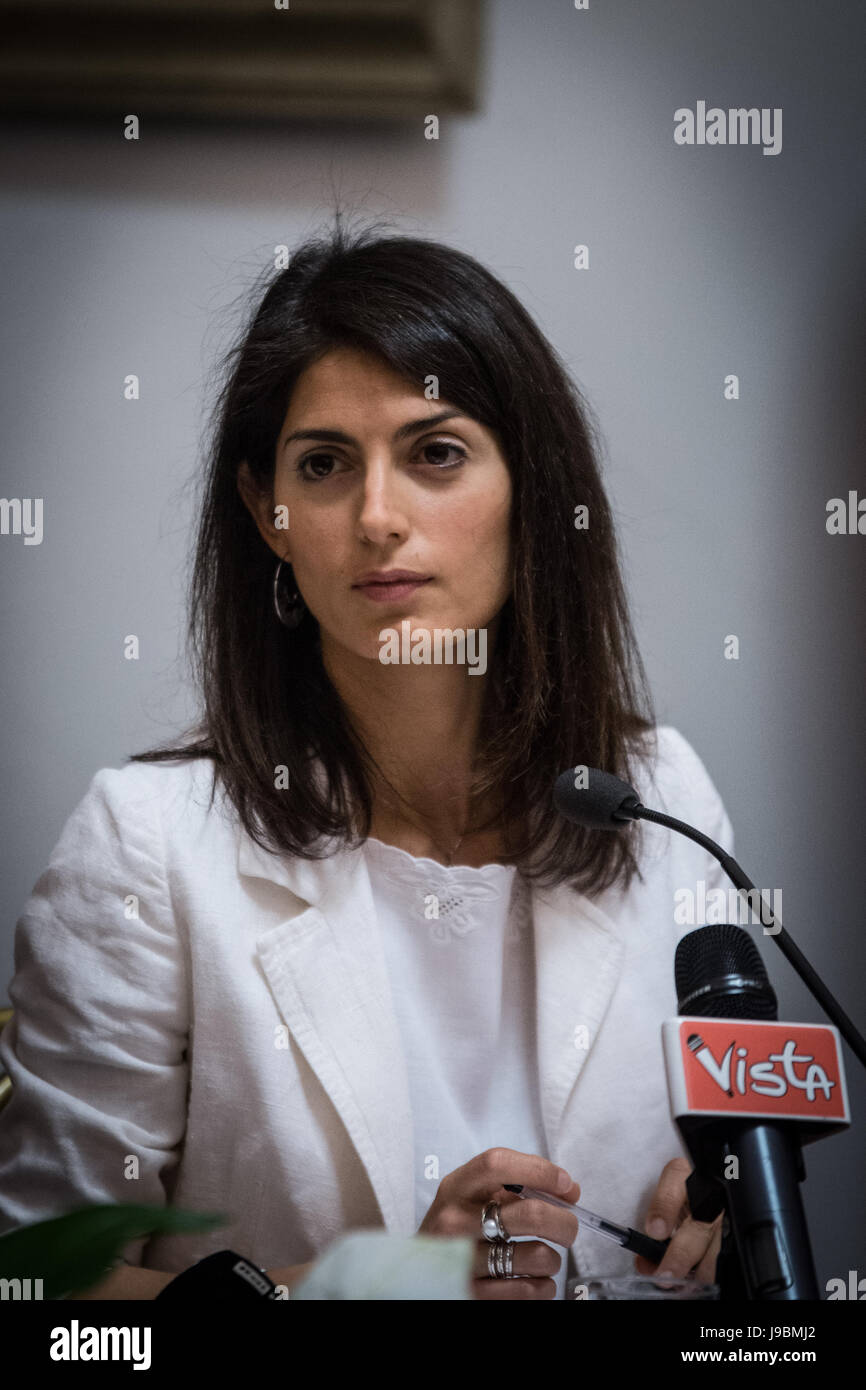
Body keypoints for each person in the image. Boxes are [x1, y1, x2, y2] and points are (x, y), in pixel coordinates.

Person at [0, 220, 731, 1300]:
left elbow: (736, 1151)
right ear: (270, 514)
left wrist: (717, 1201)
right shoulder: (145, 844)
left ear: (532, 487)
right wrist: (365, 1287)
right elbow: (47, 1293)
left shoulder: (661, 797)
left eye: (434, 452)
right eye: (325, 465)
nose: (378, 517)